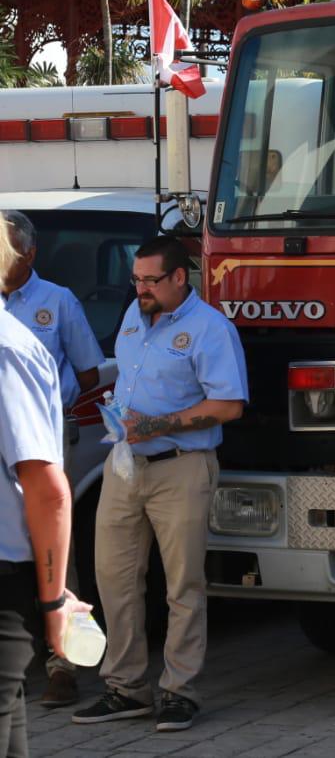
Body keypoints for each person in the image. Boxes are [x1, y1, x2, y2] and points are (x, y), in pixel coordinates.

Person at [72, 236, 248, 734]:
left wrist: (153, 426)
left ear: (179, 278)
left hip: (181, 466)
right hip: (125, 466)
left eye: (151, 280)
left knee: (183, 585)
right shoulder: (134, 313)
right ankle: (125, 687)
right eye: (136, 279)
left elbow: (228, 406)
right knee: (114, 577)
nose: (141, 289)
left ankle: (179, 692)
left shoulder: (210, 329)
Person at [0, 211, 105, 708]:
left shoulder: (57, 302)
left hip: (45, 440)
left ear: (31, 254)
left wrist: (46, 404)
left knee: (50, 539)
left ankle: (63, 663)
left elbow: (89, 374)